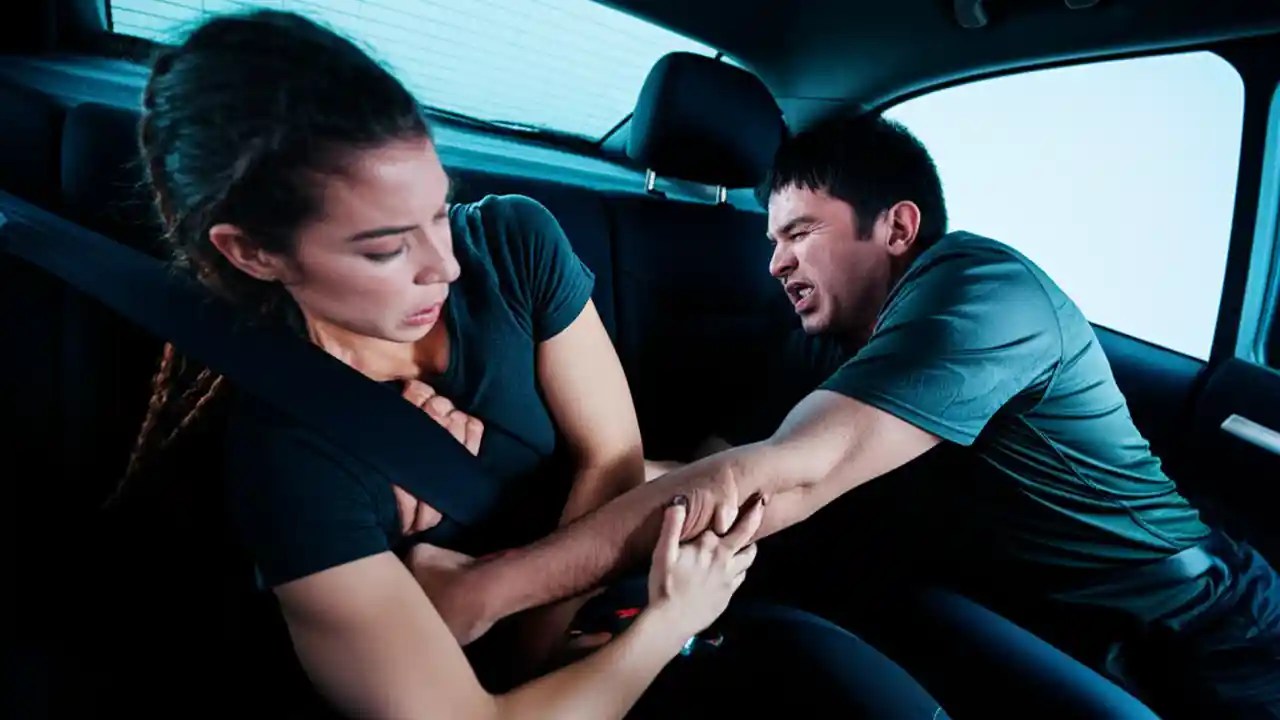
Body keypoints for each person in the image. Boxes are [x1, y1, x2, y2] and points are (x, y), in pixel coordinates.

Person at [108, 10, 946, 718]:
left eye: (439, 210)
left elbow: (612, 459)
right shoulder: (290, 454)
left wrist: (519, 624)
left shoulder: (509, 240)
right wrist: (667, 618)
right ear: (255, 254)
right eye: (387, 247)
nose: (443, 263)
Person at [632, 114, 1280, 717]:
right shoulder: (823, 332)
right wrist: (634, 473)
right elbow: (732, 456)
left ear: (896, 228)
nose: (775, 262)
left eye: (800, 233)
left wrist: (591, 499)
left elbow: (783, 476)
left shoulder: (978, 294)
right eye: (774, 239)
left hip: (1203, 626)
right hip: (1037, 618)